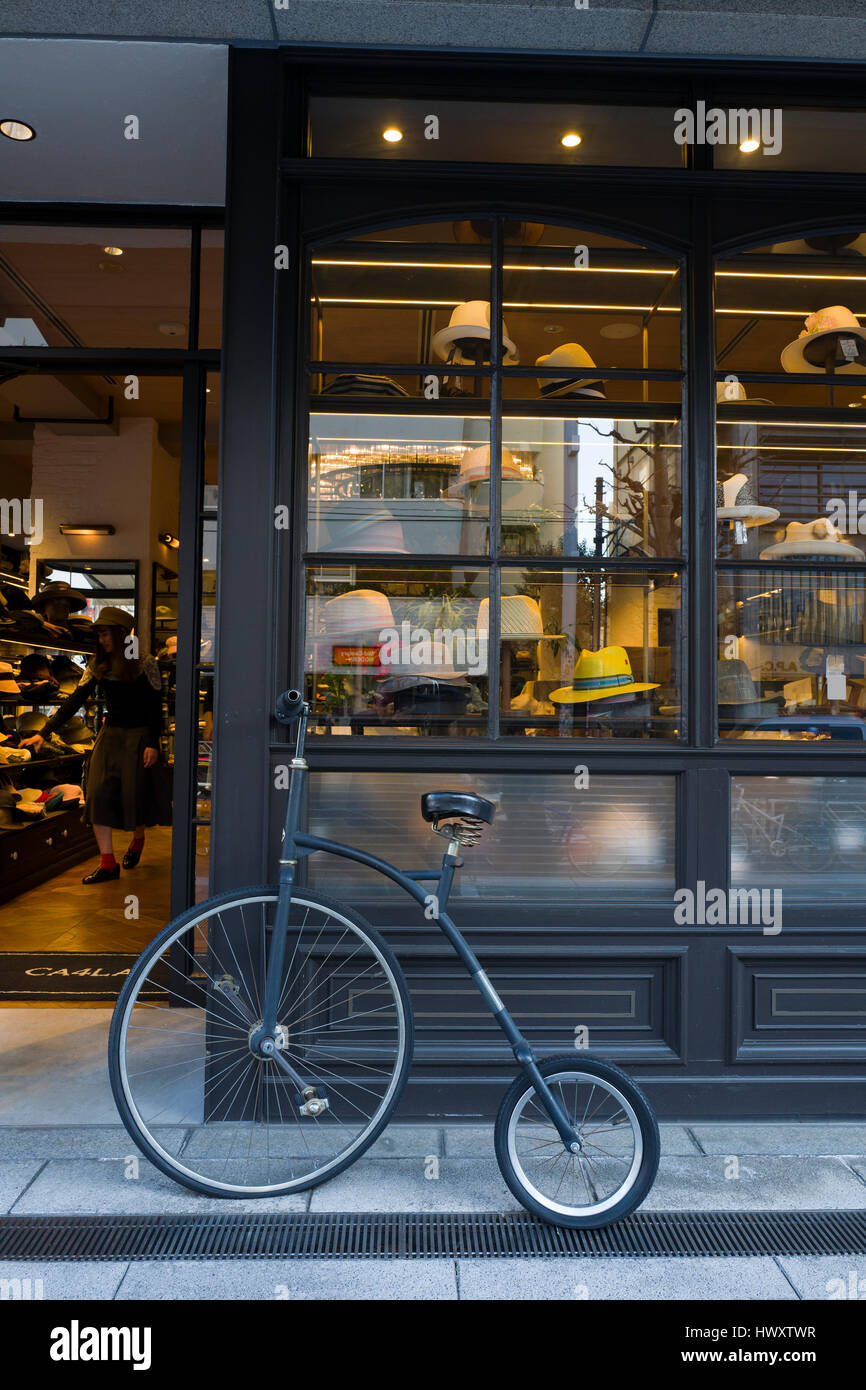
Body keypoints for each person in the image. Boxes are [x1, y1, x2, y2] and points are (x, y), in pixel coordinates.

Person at [22, 606, 164, 884]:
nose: (102, 639)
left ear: (122, 634)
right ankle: (108, 863)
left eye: (106, 633)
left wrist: (152, 743)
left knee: (133, 796)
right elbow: (74, 700)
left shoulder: (144, 662)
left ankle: (137, 838)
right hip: (110, 735)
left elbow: (154, 708)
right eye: (99, 634)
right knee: (97, 793)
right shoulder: (97, 665)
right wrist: (45, 732)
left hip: (138, 737)